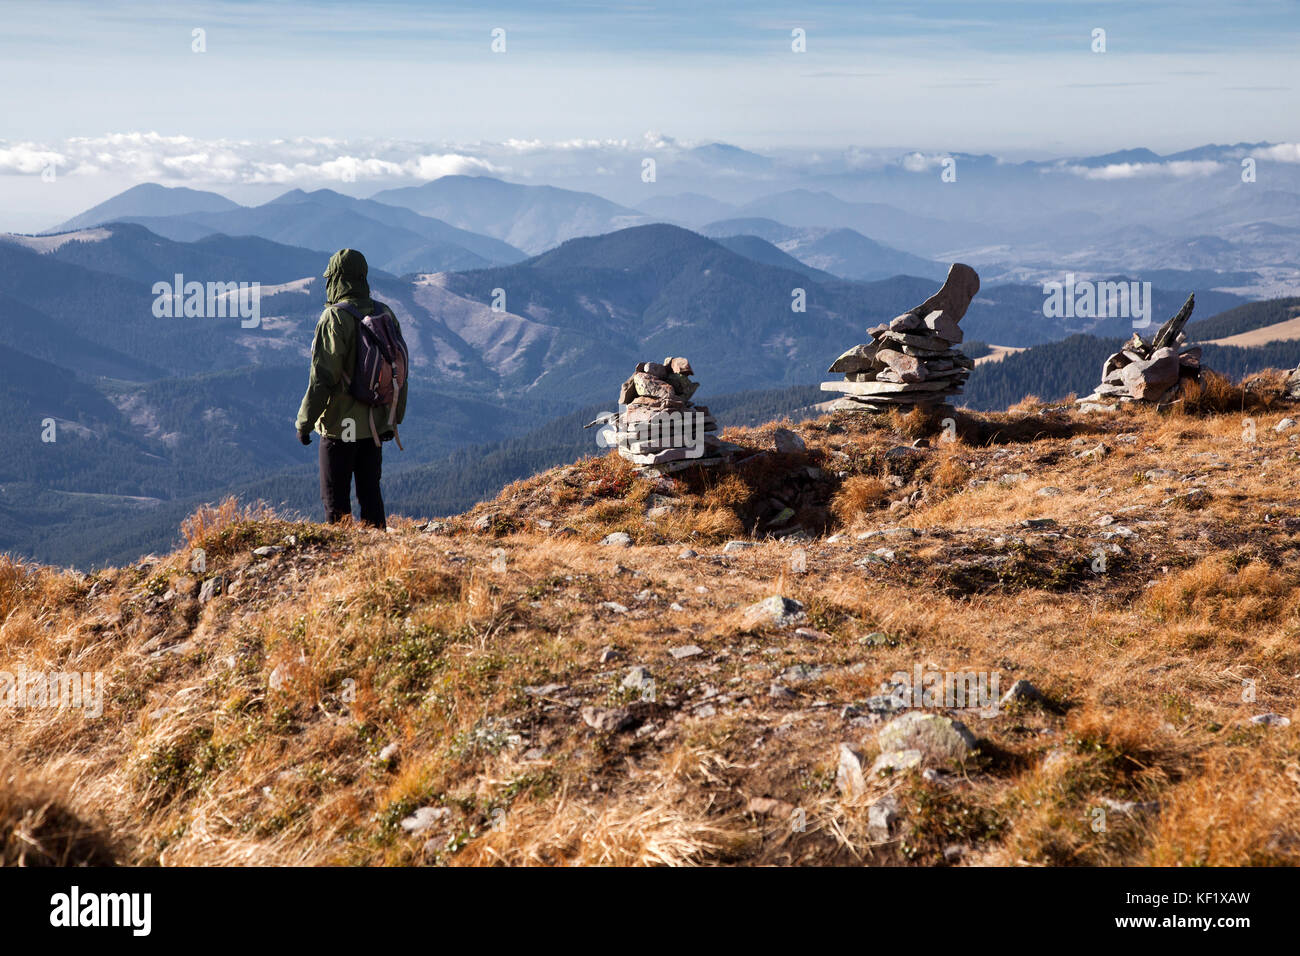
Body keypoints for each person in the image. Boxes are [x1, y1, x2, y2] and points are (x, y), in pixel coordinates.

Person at [295, 249, 407, 528]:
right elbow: (398, 373)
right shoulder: (385, 313)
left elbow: (322, 379)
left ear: (336, 279)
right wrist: (393, 420)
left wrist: (304, 422)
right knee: (371, 497)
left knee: (336, 502)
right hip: (374, 428)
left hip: (338, 428)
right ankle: (379, 561)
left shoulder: (334, 318)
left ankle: (342, 561)